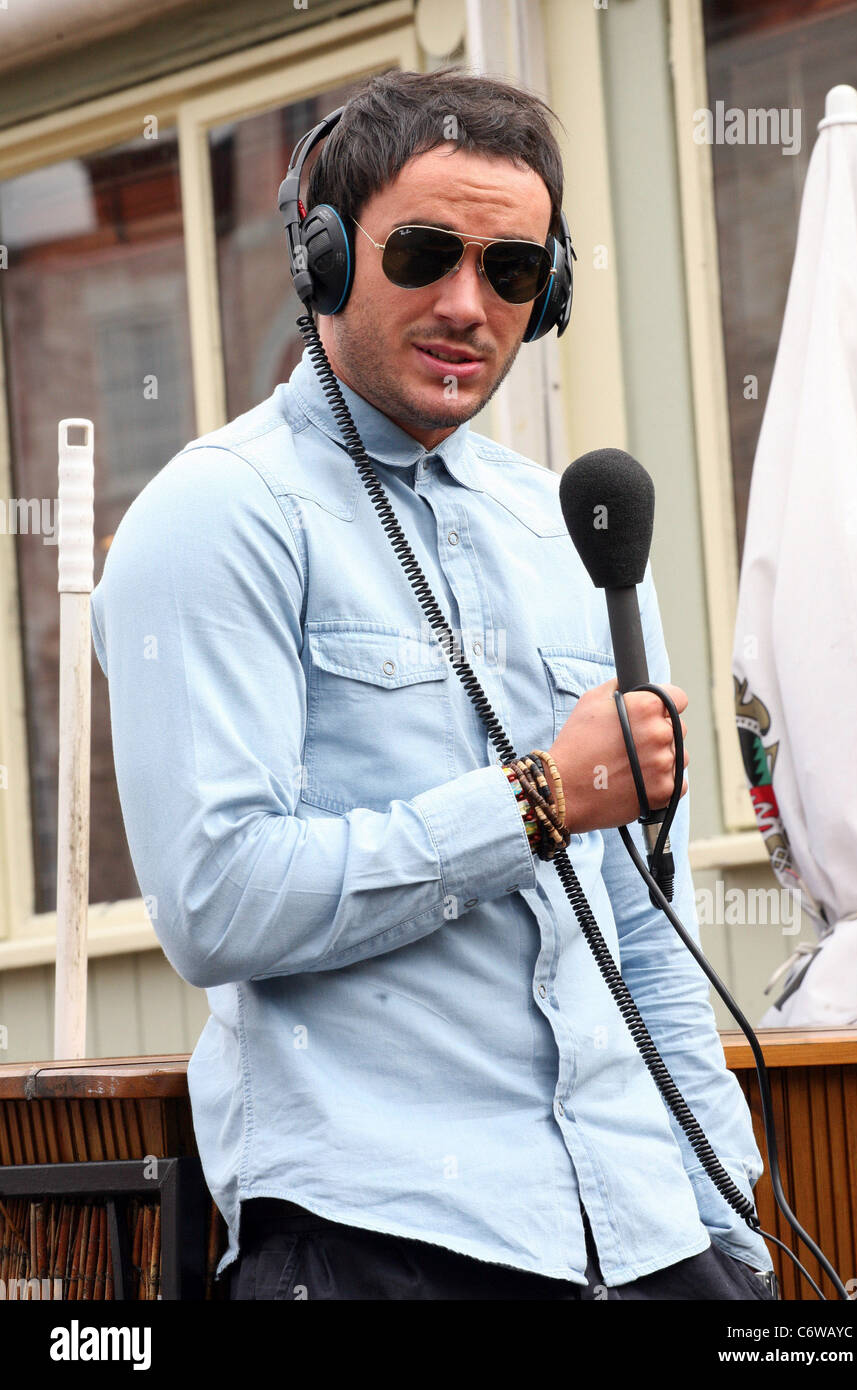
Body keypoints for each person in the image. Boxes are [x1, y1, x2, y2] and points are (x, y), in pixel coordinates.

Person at [90, 66, 777, 1301]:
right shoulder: (218, 515)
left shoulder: (580, 530)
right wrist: (533, 804)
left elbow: (643, 929)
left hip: (652, 1232)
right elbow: (219, 900)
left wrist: (732, 1228)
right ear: (324, 259)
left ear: (549, 292)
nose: (470, 303)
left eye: (513, 271)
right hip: (383, 1242)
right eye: (424, 253)